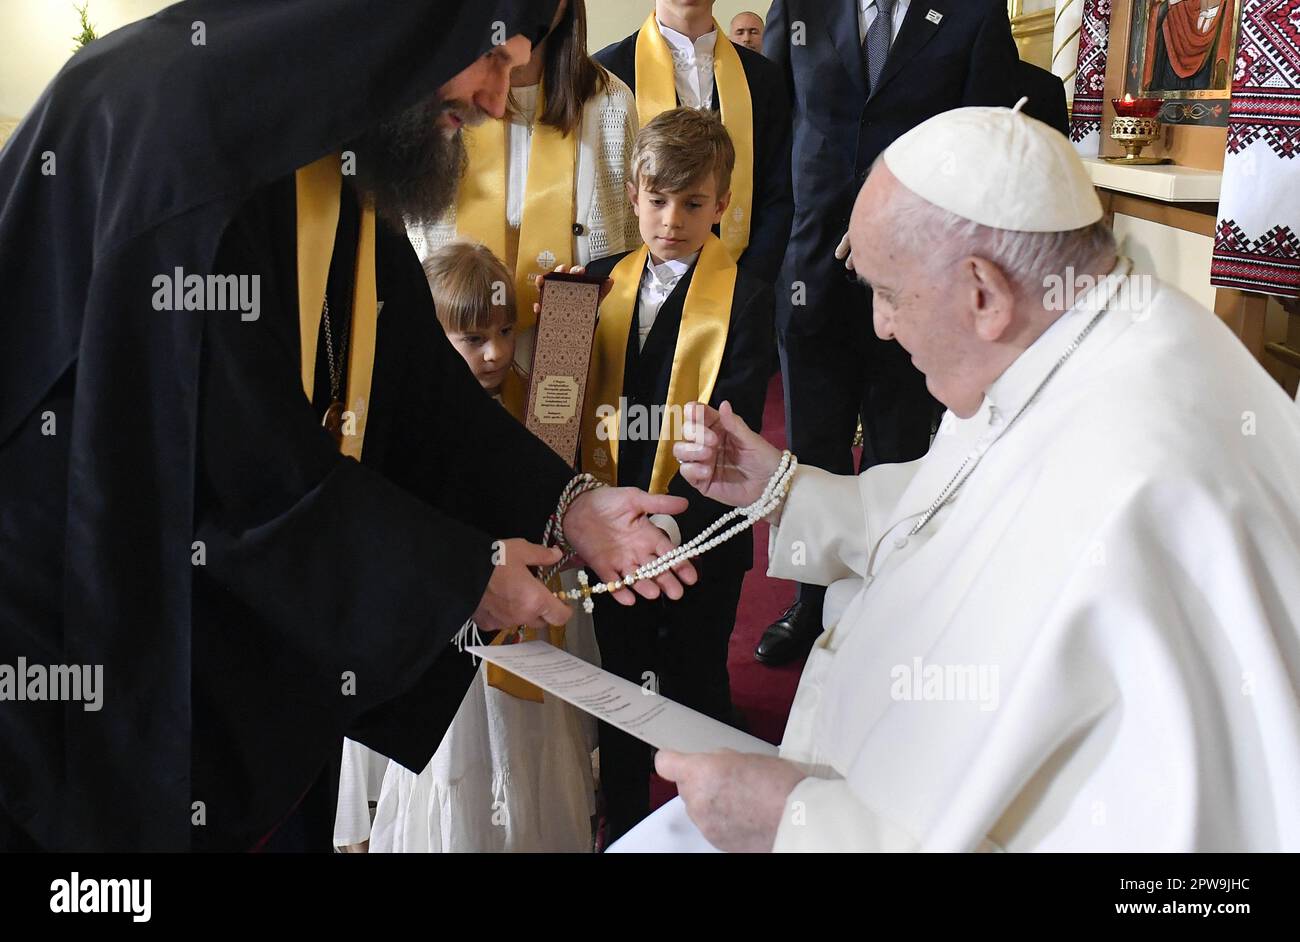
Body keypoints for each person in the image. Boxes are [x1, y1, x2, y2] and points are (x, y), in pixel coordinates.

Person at [0, 0, 696, 852]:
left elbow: (409, 383)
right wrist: (459, 579)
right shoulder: (186, 136)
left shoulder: (325, 140)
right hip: (91, 630)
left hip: (254, 608)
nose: (496, 100)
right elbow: (235, 469)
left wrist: (568, 503)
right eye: (489, 59)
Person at [614, 102, 1300, 852]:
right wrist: (784, 486)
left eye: (888, 293)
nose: (879, 325)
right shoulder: (1070, 337)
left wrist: (804, 827)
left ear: (983, 294)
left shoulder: (1142, 479)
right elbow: (948, 511)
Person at [756, 0, 1020, 666]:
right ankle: (808, 604)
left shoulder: (973, 15)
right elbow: (768, 130)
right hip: (809, 269)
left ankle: (884, 605)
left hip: (917, 281)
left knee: (898, 447)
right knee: (809, 448)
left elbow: (983, 149)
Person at [355, 243, 599, 852]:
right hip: (458, 638)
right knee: (462, 770)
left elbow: (561, 451)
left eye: (506, 331)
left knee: (532, 751)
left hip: (540, 634)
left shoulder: (541, 395)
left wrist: (566, 316)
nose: (495, 353)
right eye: (471, 340)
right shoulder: (414, 428)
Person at [577, 108, 774, 843]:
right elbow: (567, 396)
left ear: (722, 204)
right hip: (616, 532)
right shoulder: (598, 283)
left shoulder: (749, 298)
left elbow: (735, 423)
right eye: (658, 200)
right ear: (632, 194)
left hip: (703, 529)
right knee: (620, 683)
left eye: (693, 203)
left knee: (695, 677)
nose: (672, 219)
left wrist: (674, 518)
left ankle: (707, 825)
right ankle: (624, 820)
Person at [408, 0, 640, 376]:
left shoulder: (610, 100)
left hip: (570, 352)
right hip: (450, 347)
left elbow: (628, 243)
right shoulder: (446, 88)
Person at [595, 0, 793, 284]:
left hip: (739, 285)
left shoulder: (763, 77)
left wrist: (749, 281)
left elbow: (778, 190)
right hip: (628, 285)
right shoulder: (605, 73)